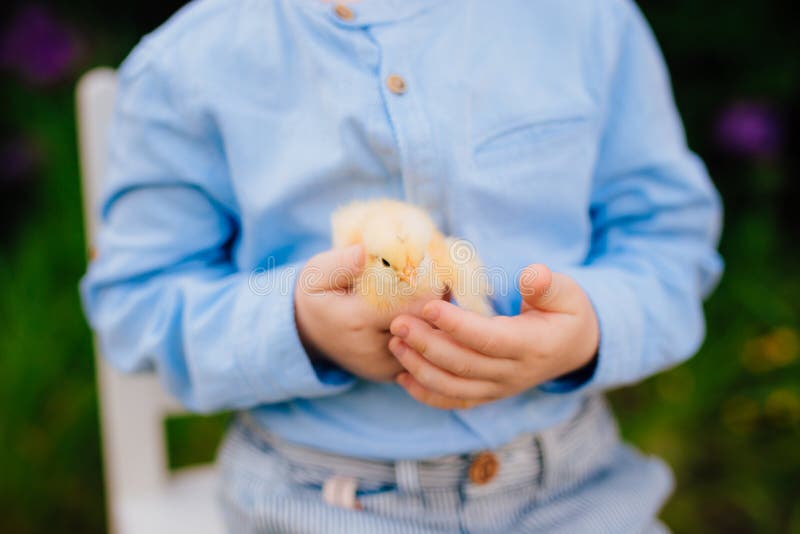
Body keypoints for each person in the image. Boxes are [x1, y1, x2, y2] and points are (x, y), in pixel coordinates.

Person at [80, 0, 723, 532]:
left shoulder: (587, 20)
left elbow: (670, 241)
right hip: (315, 501)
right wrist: (298, 325)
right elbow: (136, 305)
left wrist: (589, 330)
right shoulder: (187, 64)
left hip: (576, 490)